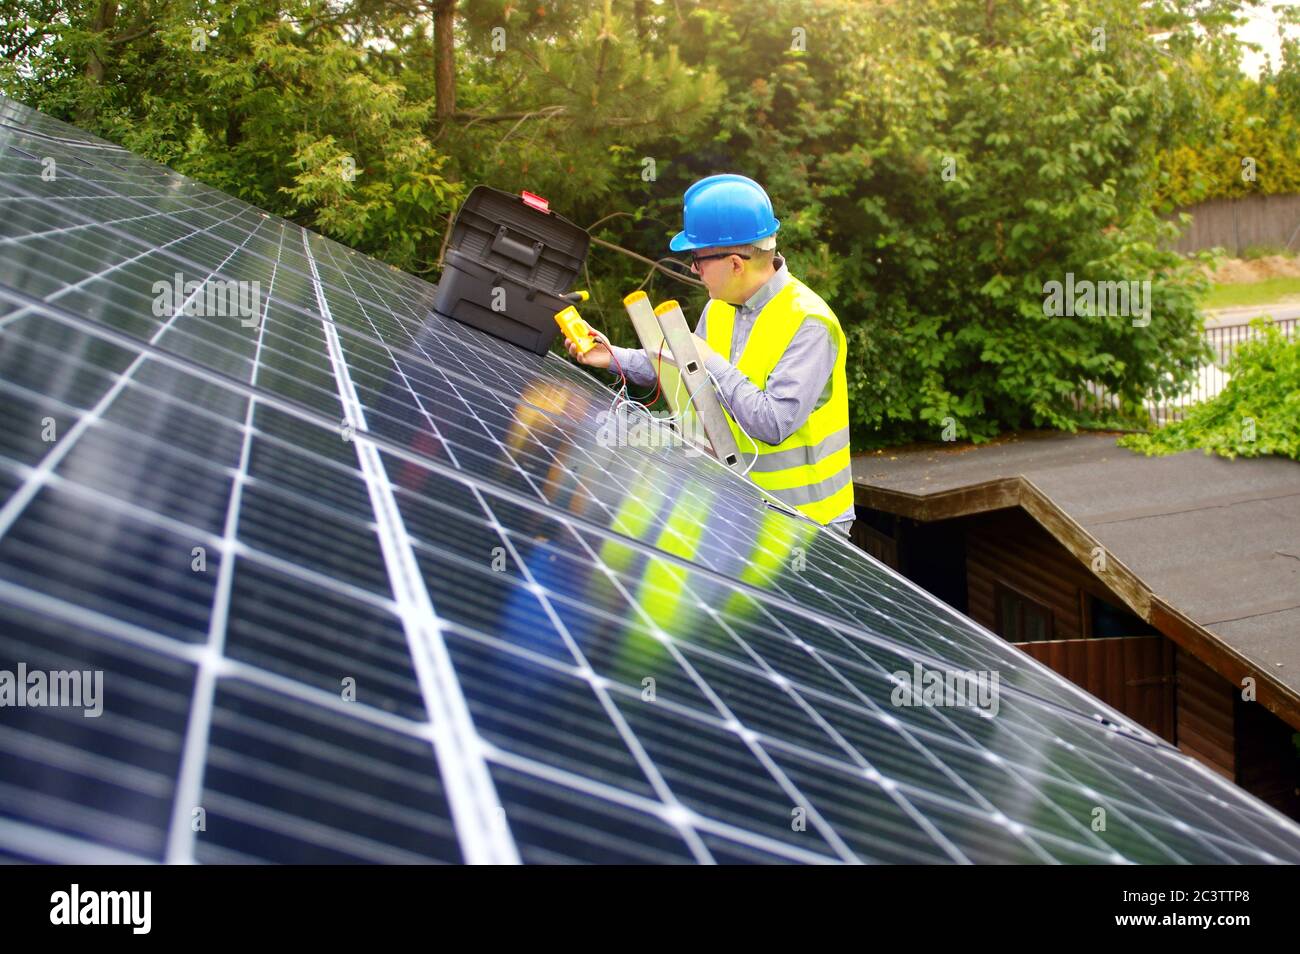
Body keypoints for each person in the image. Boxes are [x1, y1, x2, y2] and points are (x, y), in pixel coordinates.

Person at [567, 174, 855, 536]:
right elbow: (686, 370)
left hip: (809, 524)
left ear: (735, 263)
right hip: (747, 510)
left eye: (698, 259)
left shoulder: (809, 323)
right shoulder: (720, 308)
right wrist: (611, 357)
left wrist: (709, 359)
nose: (692, 269)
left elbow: (773, 423)